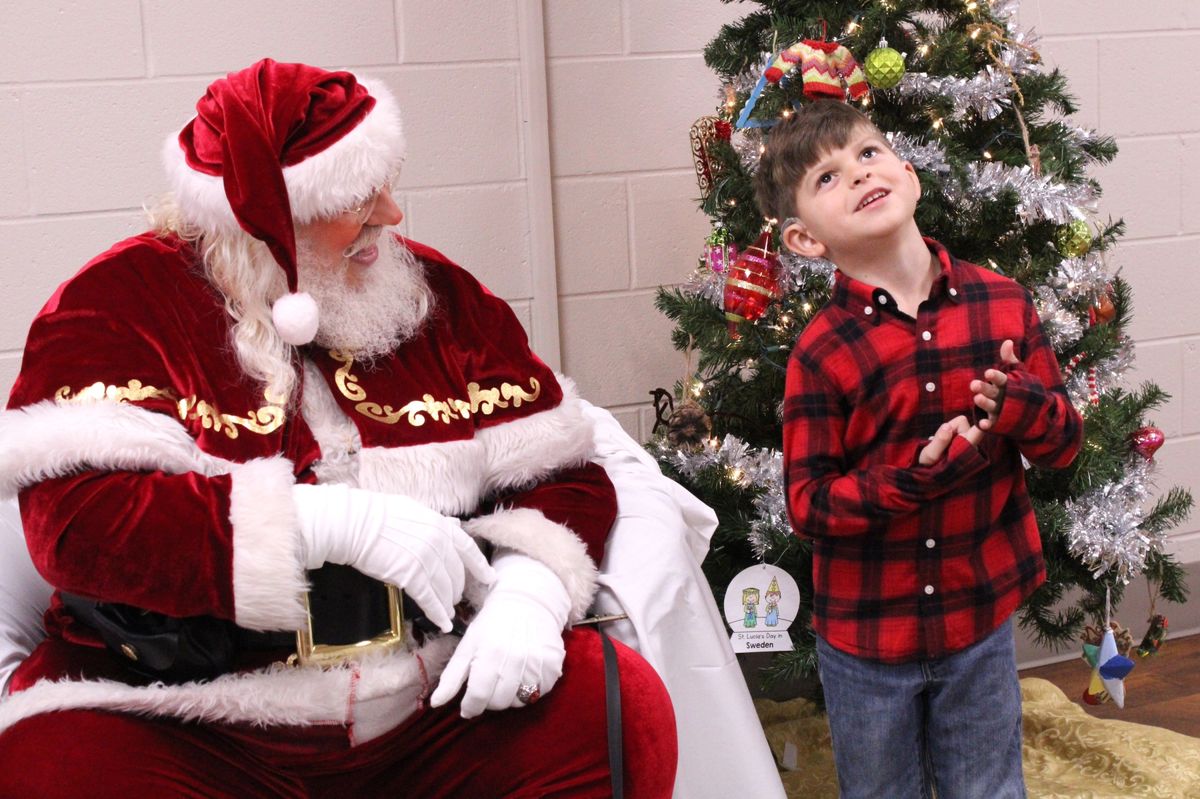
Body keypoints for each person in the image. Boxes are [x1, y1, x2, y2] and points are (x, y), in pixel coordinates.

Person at [0, 58, 680, 797]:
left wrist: (531, 592)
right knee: (53, 766)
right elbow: (77, 525)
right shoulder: (117, 300)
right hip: (189, 712)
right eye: (359, 197)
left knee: (615, 711)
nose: (391, 214)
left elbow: (563, 470)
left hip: (427, 698)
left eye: (388, 183)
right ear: (266, 218)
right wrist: (326, 524)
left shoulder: (440, 296)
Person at [756, 100, 1084, 798]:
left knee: (989, 788)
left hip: (979, 623)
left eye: (868, 154)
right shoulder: (821, 352)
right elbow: (809, 507)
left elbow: (1064, 444)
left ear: (908, 174)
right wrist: (916, 479)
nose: (858, 174)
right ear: (805, 239)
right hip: (867, 645)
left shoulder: (1003, 303)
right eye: (826, 178)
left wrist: (1020, 406)